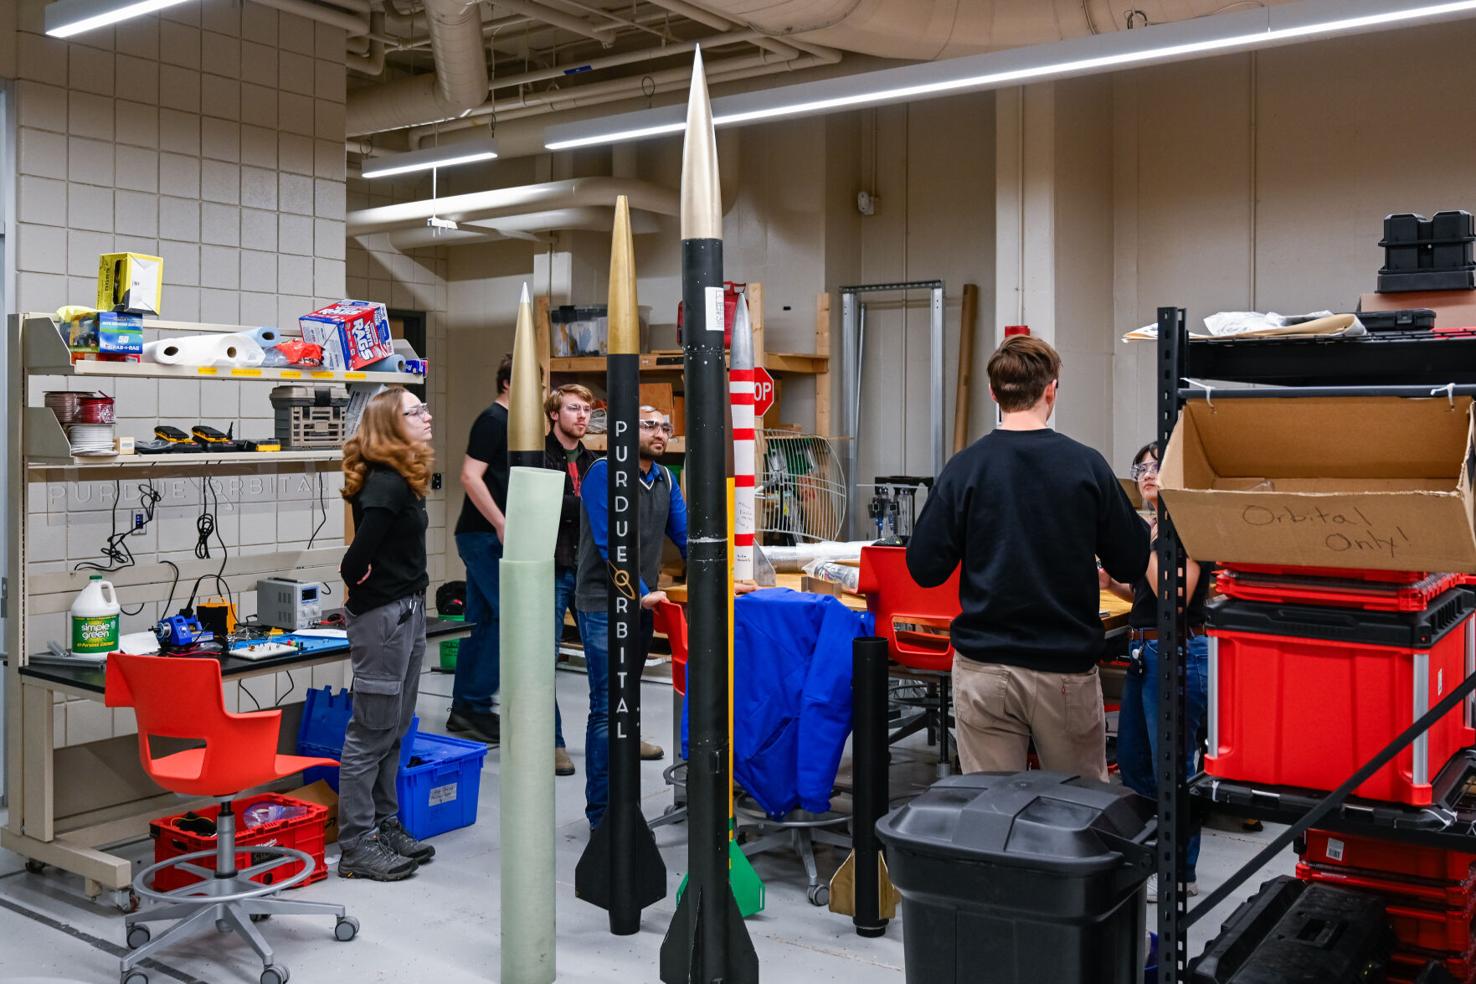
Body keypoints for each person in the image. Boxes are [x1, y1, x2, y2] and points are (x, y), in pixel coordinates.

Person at [906, 335, 1149, 780]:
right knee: (1076, 814)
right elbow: (1133, 560)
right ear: (1051, 389)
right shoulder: (1086, 466)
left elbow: (923, 567)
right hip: (1063, 673)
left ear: (994, 394)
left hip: (985, 668)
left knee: (992, 816)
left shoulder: (965, 469)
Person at [1102, 441, 1213, 899]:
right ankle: (1155, 854)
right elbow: (1147, 599)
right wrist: (1114, 584)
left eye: (1156, 466)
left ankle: (1178, 870)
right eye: (1141, 467)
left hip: (1177, 655)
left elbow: (1175, 596)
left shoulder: (1186, 523)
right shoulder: (1154, 528)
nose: (1147, 474)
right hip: (1146, 653)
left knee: (1172, 768)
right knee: (1133, 762)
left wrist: (1141, 543)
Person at [336, 386, 438, 880]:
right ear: (390, 425)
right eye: (415, 411)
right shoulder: (386, 485)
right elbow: (354, 561)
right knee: (371, 732)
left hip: (408, 611)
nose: (426, 414)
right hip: (385, 618)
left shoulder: (402, 479)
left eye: (423, 407)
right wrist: (365, 592)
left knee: (396, 728)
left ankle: (384, 823)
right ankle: (357, 843)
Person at [575, 405, 686, 828]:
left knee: (629, 705)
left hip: (640, 605)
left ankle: (625, 807)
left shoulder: (664, 478)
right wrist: (638, 594)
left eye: (664, 427)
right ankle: (603, 815)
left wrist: (728, 575)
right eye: (649, 425)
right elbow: (609, 545)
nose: (659, 433)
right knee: (607, 707)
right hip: (603, 604)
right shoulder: (603, 473)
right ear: (624, 428)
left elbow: (687, 533)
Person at [449, 354, 512, 744]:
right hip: (482, 535)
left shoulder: (513, 423)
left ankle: (467, 709)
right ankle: (474, 703)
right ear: (507, 383)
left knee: (484, 621)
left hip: (486, 535)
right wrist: (500, 522)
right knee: (508, 619)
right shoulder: (493, 420)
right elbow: (470, 477)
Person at [543, 383, 597, 777]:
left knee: (606, 656)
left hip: (589, 570)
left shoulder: (595, 461)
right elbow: (546, 503)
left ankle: (615, 734)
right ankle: (554, 743)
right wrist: (589, 505)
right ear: (554, 414)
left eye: (587, 411)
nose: (582, 417)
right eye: (574, 409)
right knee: (545, 660)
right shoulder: (539, 455)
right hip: (553, 566)